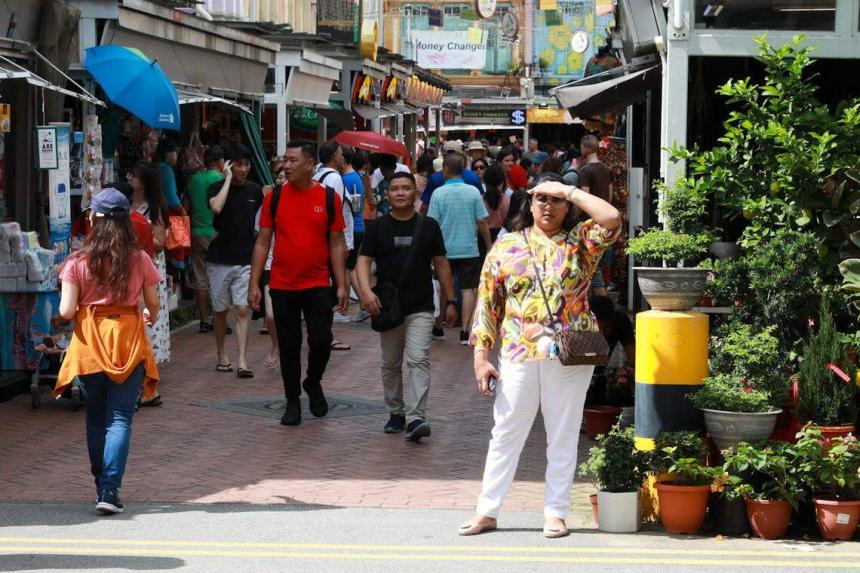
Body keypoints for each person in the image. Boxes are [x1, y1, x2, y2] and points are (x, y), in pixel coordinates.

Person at [463, 174, 621, 538]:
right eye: (541, 199)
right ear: (529, 203)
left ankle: (555, 512)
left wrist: (569, 189)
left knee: (562, 432)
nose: (548, 207)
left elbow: (611, 218)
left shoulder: (581, 242)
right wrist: (481, 356)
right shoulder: (506, 247)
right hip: (519, 349)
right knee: (506, 430)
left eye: (556, 201)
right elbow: (488, 304)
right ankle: (487, 510)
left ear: (567, 205)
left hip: (569, 353)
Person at [55, 187, 161, 515]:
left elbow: (68, 311)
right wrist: (146, 314)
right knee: (120, 418)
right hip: (127, 340)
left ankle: (101, 485)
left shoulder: (77, 263)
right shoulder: (140, 258)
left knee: (96, 417)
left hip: (89, 343)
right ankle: (110, 490)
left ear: (93, 220)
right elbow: (153, 306)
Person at [249, 140, 349, 427]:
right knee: (289, 346)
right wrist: (255, 283)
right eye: (285, 160)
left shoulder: (329, 198)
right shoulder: (275, 198)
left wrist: (341, 284)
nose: (286, 166)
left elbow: (337, 243)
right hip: (282, 285)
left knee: (321, 341)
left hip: (318, 283)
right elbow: (263, 241)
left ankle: (313, 382)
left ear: (309, 165)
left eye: (293, 161)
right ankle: (292, 400)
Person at [357, 172, 457, 442]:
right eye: (394, 189)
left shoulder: (429, 226)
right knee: (390, 363)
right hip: (388, 307)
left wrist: (451, 300)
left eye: (405, 188)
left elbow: (442, 263)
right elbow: (363, 261)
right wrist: (365, 292)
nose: (400, 193)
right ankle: (395, 412)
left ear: (415, 193)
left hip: (421, 305)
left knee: (418, 359)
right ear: (387, 194)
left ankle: (416, 417)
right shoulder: (377, 227)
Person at [207, 143, 264, 379]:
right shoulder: (215, 187)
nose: (243, 169)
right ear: (228, 165)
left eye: (246, 165)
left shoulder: (255, 191)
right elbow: (217, 208)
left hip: (245, 259)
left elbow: (260, 226)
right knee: (220, 311)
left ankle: (242, 360)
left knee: (243, 309)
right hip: (219, 259)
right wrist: (228, 179)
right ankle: (222, 354)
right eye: (238, 164)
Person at [427, 154, 491, 346]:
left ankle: (438, 327)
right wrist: (488, 245)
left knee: (444, 288)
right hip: (469, 248)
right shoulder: (473, 192)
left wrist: (430, 250)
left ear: (445, 169)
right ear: (463, 170)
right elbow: (481, 221)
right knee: (468, 289)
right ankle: (465, 331)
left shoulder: (438, 194)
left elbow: (433, 224)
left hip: (443, 251)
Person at [128, 162, 171, 390]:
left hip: (149, 267)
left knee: (150, 310)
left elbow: (160, 243)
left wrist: (137, 237)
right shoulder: (126, 203)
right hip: (130, 266)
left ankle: (149, 364)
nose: (129, 178)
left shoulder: (154, 208)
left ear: (143, 181)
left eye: (133, 175)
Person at [315, 142, 354, 333]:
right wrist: (342, 242)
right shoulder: (334, 178)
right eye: (340, 153)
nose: (342, 156)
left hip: (321, 239)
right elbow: (335, 212)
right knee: (332, 281)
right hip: (332, 240)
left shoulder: (317, 175)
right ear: (333, 156)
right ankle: (329, 323)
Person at [187, 145, 225, 333]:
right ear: (220, 162)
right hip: (217, 233)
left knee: (200, 276)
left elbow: (186, 205)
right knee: (220, 276)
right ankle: (221, 321)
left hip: (197, 232)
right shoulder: (221, 178)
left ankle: (203, 320)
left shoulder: (194, 180)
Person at [578, 135, 614, 295]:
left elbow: (584, 198)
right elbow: (611, 195)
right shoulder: (606, 169)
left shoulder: (585, 171)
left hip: (590, 223)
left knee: (591, 263)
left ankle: (598, 300)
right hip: (605, 222)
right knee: (601, 262)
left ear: (584, 148)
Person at [340, 145, 370, 323]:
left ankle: (363, 304)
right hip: (357, 227)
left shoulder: (349, 179)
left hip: (353, 229)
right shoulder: (355, 177)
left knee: (348, 269)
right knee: (349, 268)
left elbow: (355, 206)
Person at [420, 141, 484, 208]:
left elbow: (425, 206)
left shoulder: (435, 178)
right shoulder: (473, 177)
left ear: (443, 157)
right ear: (461, 156)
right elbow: (481, 204)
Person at [481, 164, 510, 245]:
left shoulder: (481, 200)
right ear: (501, 182)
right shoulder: (507, 200)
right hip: (502, 238)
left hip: (483, 237)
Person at [153, 139, 182, 211]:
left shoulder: (155, 165)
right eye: (176, 152)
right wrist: (182, 211)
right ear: (167, 153)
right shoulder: (166, 169)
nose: (177, 155)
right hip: (165, 212)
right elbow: (172, 198)